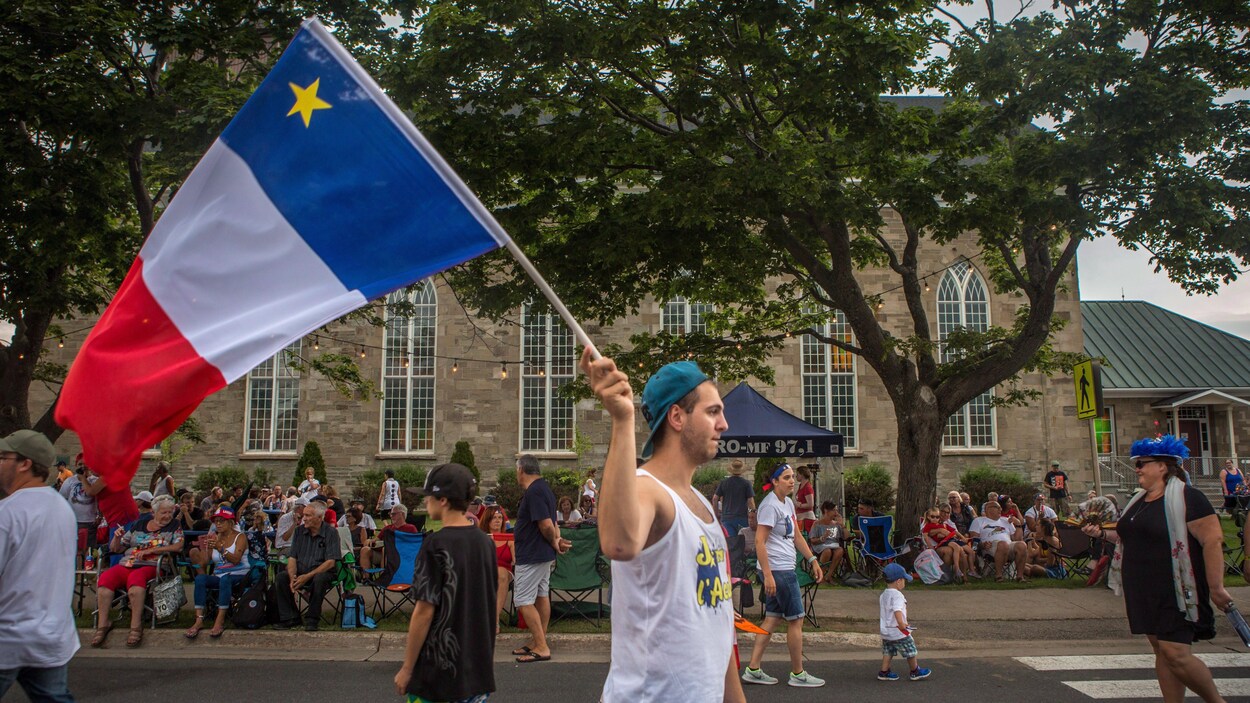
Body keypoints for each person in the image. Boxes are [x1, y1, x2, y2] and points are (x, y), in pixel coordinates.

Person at [582, 352, 746, 703]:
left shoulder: (702, 504)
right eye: (713, 411)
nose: (724, 424)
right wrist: (622, 421)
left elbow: (717, 621)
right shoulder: (647, 490)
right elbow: (619, 543)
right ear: (677, 416)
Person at [1081, 435, 1230, 703]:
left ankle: (1216, 701)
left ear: (1162, 466)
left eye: (1142, 464)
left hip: (1176, 588)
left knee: (1175, 653)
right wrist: (1101, 533)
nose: (1137, 468)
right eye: (1137, 463)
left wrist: (1217, 587)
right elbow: (1128, 538)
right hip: (1142, 588)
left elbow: (1212, 540)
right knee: (1162, 651)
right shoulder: (1138, 501)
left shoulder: (1188, 498)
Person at [394, 463, 496, 702]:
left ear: (442, 500)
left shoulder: (435, 545)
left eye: (428, 496)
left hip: (439, 674)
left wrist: (407, 668)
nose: (425, 501)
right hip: (477, 672)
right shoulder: (486, 543)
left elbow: (424, 611)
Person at [0, 430, 80, 702]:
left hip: (8, 635)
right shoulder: (62, 508)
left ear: (24, 464)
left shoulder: (7, 513)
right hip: (51, 633)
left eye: (3, 457)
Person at [743, 463, 825, 687]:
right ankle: (798, 673)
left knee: (772, 618)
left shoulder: (787, 502)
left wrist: (812, 559)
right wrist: (767, 575)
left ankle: (753, 668)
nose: (792, 481)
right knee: (796, 619)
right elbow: (760, 541)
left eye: (792, 477)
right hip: (779, 570)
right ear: (775, 481)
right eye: (787, 477)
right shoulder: (770, 506)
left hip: (782, 568)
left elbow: (797, 535)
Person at [93, 494, 185, 648]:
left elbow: (178, 546)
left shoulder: (174, 526)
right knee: (106, 579)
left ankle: (135, 626)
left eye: (170, 512)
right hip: (129, 563)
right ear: (154, 513)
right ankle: (103, 624)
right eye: (164, 512)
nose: (168, 515)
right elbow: (117, 548)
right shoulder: (139, 524)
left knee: (136, 579)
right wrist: (117, 538)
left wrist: (154, 550)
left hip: (153, 565)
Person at [511, 454, 570, 663]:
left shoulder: (534, 491)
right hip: (541, 553)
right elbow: (553, 522)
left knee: (523, 600)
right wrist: (557, 539)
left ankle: (542, 647)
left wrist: (554, 542)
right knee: (541, 596)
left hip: (533, 554)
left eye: (516, 470)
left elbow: (545, 524)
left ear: (521, 470)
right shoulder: (544, 488)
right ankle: (538, 640)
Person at [273, 501, 340, 631]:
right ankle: (290, 617)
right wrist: (293, 577)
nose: (304, 518)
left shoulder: (331, 533)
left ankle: (312, 619)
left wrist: (307, 576)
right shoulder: (299, 532)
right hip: (301, 569)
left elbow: (330, 562)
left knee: (319, 579)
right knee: (282, 578)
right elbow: (292, 557)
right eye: (304, 515)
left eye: (308, 515)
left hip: (322, 571)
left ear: (320, 518)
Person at [186, 507, 251, 639]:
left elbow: (236, 559)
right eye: (216, 521)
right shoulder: (215, 537)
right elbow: (205, 562)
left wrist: (220, 548)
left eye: (222, 521)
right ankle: (199, 620)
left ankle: (219, 620)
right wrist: (204, 549)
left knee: (225, 580)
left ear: (231, 522)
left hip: (239, 573)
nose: (218, 524)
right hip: (219, 574)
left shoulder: (240, 537)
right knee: (201, 579)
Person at [876, 562, 931, 682]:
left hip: (886, 630)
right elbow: (897, 611)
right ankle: (915, 670)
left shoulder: (883, 595)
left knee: (888, 651)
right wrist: (902, 624)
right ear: (898, 581)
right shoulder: (898, 595)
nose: (904, 583)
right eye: (904, 580)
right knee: (910, 650)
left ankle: (884, 672)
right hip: (898, 630)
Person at [969, 500, 1028, 582]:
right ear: (988, 509)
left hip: (1008, 546)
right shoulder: (979, 521)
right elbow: (973, 541)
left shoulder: (1006, 520)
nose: (1000, 509)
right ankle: (999, 576)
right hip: (989, 548)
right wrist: (981, 545)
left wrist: (1018, 524)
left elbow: (1017, 539)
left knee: (1022, 545)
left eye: (1000, 507)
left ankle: (1020, 577)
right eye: (997, 507)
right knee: (1003, 544)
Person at [480, 505, 513, 634]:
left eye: (500, 518)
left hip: (504, 572)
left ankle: (494, 619)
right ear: (487, 520)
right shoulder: (481, 538)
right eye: (494, 518)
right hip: (485, 572)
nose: (498, 520)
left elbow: (517, 561)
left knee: (501, 573)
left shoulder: (509, 539)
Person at [360, 503, 419, 571]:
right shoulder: (387, 528)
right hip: (383, 555)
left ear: (402, 514)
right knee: (365, 550)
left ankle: (385, 577)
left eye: (393, 514)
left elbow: (415, 545)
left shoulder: (410, 528)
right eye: (390, 514)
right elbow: (376, 540)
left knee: (386, 549)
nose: (391, 516)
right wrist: (369, 540)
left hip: (402, 556)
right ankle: (366, 578)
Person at [60, 462, 105, 546]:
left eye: (85, 463)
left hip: (90, 521)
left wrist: (100, 515)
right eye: (80, 464)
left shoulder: (95, 481)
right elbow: (62, 499)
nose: (83, 466)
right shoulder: (70, 480)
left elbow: (101, 500)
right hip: (73, 521)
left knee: (89, 549)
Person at [714, 458, 756, 539]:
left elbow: (715, 498)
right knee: (743, 542)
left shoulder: (724, 483)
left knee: (731, 542)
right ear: (742, 471)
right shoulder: (746, 483)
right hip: (742, 517)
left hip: (727, 518)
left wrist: (716, 514)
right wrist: (753, 516)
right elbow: (751, 502)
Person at [809, 501, 845, 584]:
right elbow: (812, 540)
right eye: (834, 510)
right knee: (827, 551)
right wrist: (822, 538)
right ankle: (820, 576)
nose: (836, 513)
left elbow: (847, 537)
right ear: (826, 511)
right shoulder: (817, 524)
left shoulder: (836, 524)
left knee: (840, 550)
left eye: (836, 511)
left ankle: (828, 575)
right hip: (820, 545)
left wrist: (842, 525)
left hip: (834, 545)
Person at [794, 465, 817, 534]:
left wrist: (800, 505)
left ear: (802, 475)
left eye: (797, 474)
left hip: (807, 518)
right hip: (800, 516)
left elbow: (810, 504)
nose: (796, 476)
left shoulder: (807, 487)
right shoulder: (800, 485)